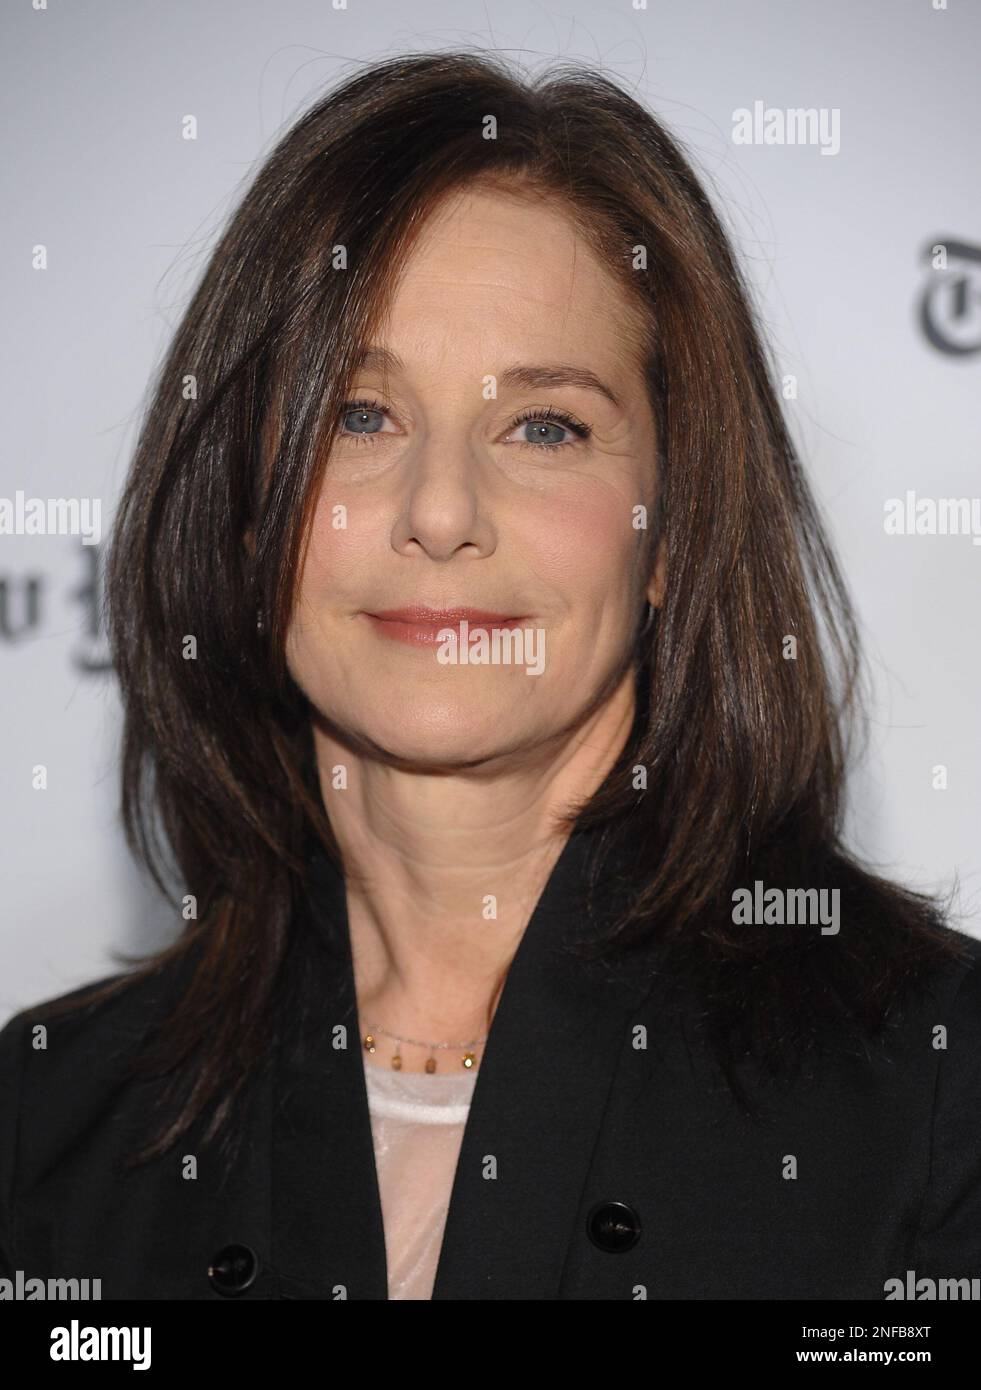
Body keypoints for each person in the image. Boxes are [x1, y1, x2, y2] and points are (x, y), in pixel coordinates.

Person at [1, 50, 979, 1302]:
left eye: (545, 425)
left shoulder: (936, 1081)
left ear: (673, 529)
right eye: (360, 415)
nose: (443, 511)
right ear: (248, 514)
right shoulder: (50, 1121)